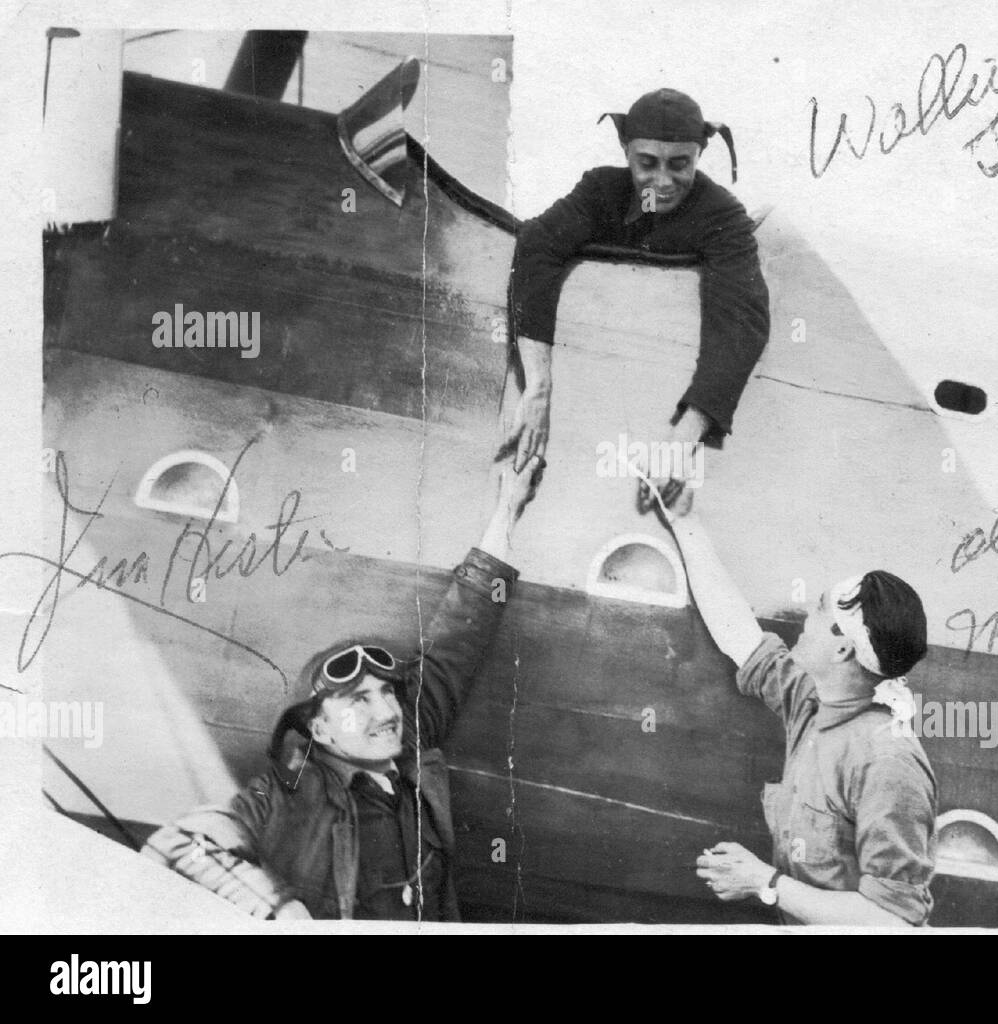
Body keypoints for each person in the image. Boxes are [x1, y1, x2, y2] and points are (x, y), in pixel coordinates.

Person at [141, 455, 544, 921]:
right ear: (322, 730)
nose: (387, 710)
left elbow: (462, 631)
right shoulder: (288, 794)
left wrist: (509, 509)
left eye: (387, 692)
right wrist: (281, 909)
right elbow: (177, 845)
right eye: (359, 700)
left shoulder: (406, 738)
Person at [651, 484, 938, 926]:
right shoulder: (815, 702)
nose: (808, 612)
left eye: (822, 610)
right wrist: (684, 521)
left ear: (844, 650)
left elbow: (893, 923)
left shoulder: (888, 761)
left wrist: (763, 882)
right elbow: (741, 637)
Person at [503, 88, 770, 511]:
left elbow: (742, 321)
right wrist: (537, 386)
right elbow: (537, 247)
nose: (662, 182)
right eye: (647, 163)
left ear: (699, 154)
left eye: (680, 164)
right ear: (625, 149)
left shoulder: (721, 215)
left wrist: (685, 437)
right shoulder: (601, 191)